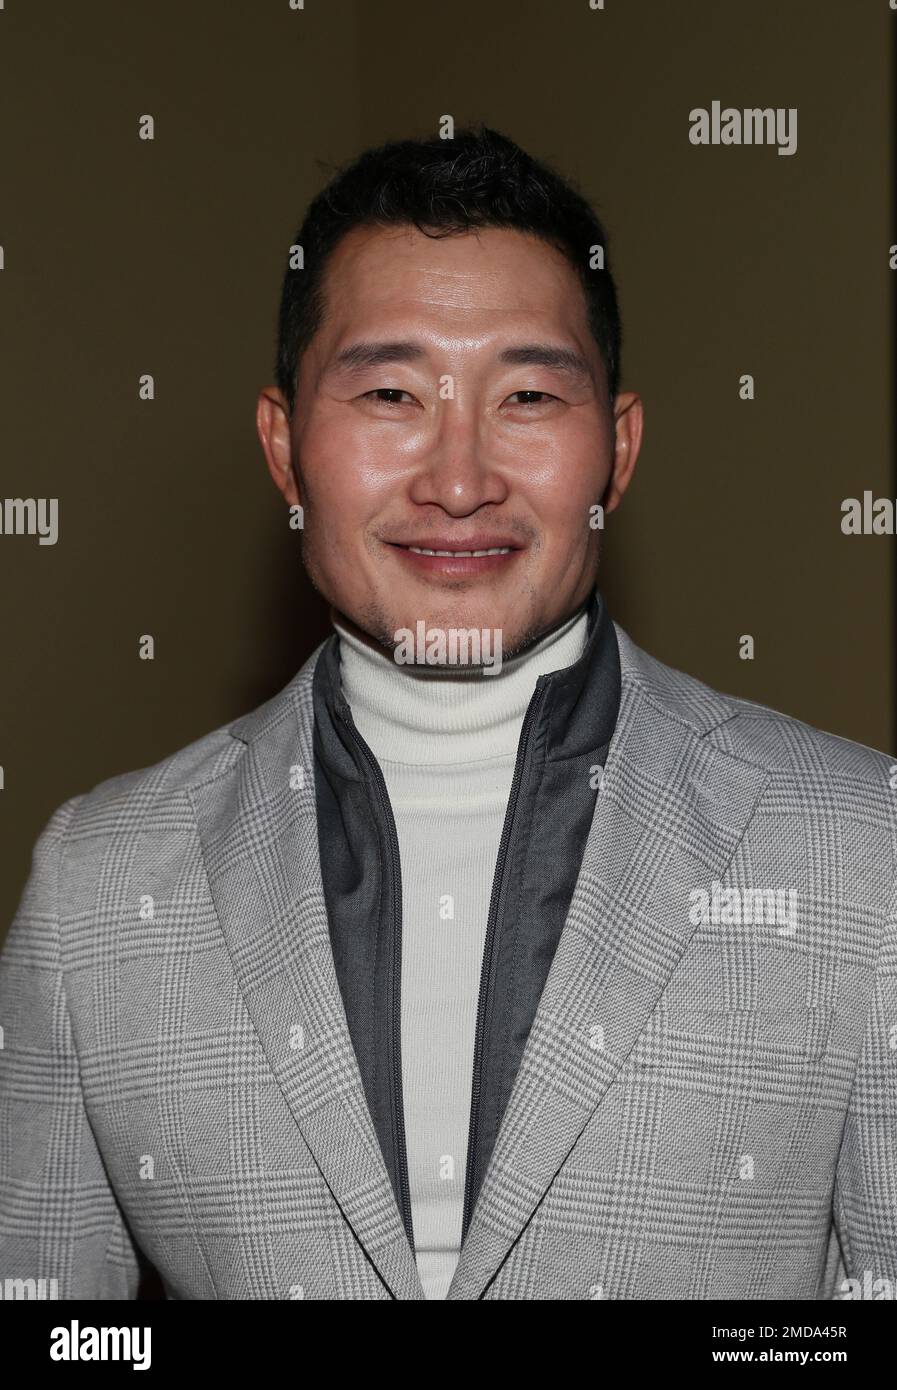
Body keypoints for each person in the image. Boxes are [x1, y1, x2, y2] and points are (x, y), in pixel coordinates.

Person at [1, 126, 894, 1301]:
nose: (460, 478)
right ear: (284, 447)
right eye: (389, 391)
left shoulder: (859, 849)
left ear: (616, 453)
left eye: (527, 393)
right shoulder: (97, 888)